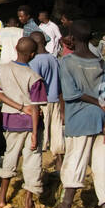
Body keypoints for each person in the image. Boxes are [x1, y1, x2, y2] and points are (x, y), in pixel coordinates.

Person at [49, 23, 105, 208]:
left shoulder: (67, 62)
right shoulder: (100, 63)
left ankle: (66, 206)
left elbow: (71, 93)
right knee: (103, 164)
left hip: (79, 120)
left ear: (72, 38)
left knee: (75, 161)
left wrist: (94, 101)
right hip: (102, 119)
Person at [0, 37, 48, 208]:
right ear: (32, 55)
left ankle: (1, 198)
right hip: (30, 123)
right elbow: (35, 107)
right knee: (32, 160)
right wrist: (33, 132)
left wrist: (18, 107)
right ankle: (28, 203)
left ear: (15, 48)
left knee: (10, 157)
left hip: (11, 120)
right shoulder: (34, 77)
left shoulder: (1, 69)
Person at [29, 30, 64, 172]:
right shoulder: (54, 59)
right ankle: (59, 165)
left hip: (41, 103)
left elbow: (34, 85)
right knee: (57, 133)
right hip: (55, 100)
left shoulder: (34, 62)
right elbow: (60, 82)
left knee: (41, 136)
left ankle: (39, 168)